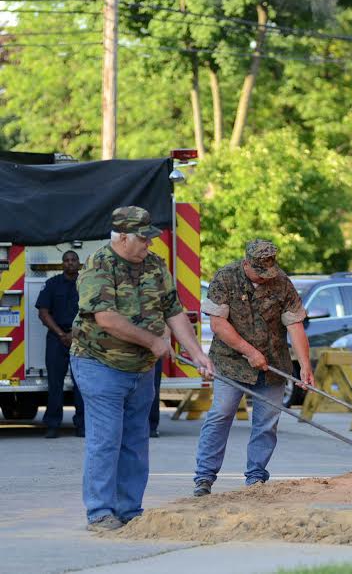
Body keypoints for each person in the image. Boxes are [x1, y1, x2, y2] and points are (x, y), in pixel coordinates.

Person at [70, 206, 214, 532]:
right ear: (122, 237)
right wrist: (152, 341)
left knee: (136, 439)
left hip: (141, 370)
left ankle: (130, 509)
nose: (149, 244)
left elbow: (173, 311)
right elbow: (105, 318)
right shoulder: (99, 266)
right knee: (106, 440)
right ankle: (100, 512)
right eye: (143, 239)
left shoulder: (154, 265)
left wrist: (198, 354)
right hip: (100, 364)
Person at [193, 239, 314, 497]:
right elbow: (218, 325)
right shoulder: (225, 278)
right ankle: (204, 477)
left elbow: (295, 325)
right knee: (221, 414)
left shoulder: (282, 282)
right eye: (259, 271)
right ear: (246, 263)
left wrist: (304, 366)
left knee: (266, 423)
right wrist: (250, 352)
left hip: (272, 364)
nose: (264, 277)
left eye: (268, 271)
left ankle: (256, 478)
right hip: (231, 362)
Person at [36, 250, 85, 438]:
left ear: (78, 263)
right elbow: (43, 313)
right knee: (54, 384)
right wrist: (61, 334)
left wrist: (74, 334)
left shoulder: (87, 284)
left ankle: (82, 425)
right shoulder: (52, 284)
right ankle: (52, 424)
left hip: (81, 338)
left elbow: (94, 312)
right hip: (57, 339)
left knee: (82, 384)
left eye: (73, 260)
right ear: (62, 263)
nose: (70, 263)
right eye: (66, 260)